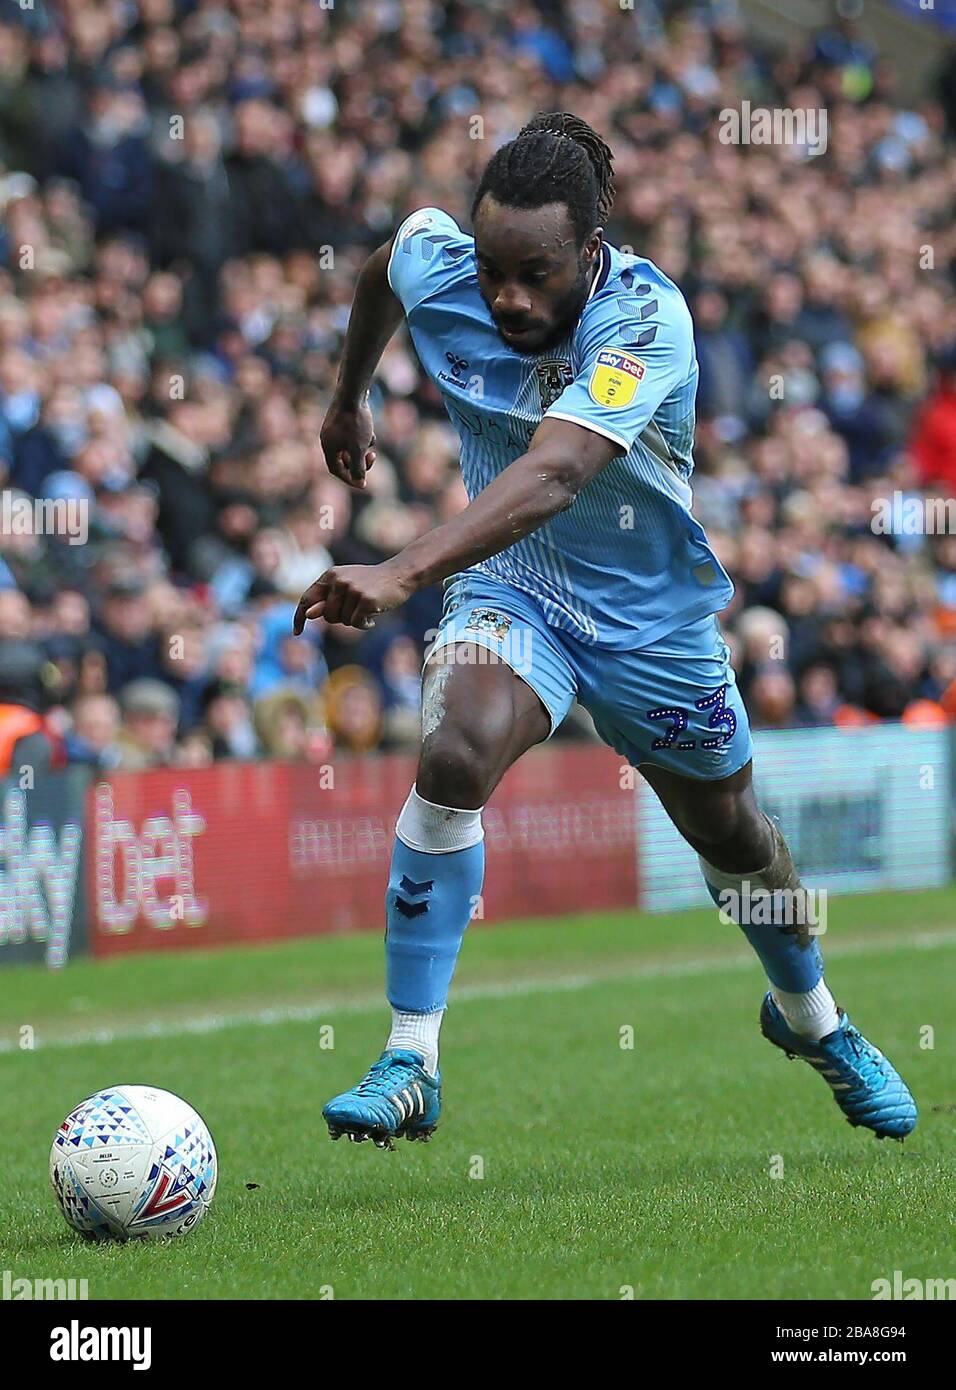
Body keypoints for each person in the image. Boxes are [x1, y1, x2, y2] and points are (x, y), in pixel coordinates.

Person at [294, 113, 916, 1149]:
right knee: (452, 754)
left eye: (534, 275)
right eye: (491, 270)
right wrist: (347, 399)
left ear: (589, 250)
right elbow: (380, 276)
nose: (506, 297)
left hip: (649, 623)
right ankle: (410, 1057)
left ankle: (812, 1018)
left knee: (733, 835)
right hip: (513, 587)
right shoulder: (436, 261)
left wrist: (400, 570)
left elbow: (558, 470)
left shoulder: (645, 319)